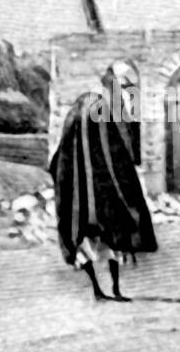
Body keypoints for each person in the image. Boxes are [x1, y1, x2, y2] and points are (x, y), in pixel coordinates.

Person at [49, 63, 157, 302]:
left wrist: (62, 177)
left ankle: (100, 290)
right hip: (103, 193)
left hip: (81, 195)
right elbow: (116, 153)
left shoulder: (78, 110)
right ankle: (112, 290)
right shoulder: (100, 108)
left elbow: (61, 155)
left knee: (89, 242)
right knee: (111, 240)